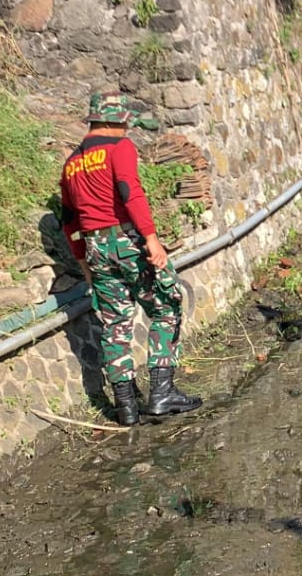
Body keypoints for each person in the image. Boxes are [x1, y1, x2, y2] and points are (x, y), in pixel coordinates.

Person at [59, 93, 201, 425]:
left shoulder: (72, 163)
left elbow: (69, 219)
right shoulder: (119, 148)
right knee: (167, 305)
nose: (127, 130)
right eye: (125, 124)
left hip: (95, 247)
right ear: (113, 121)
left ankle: (125, 407)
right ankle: (162, 393)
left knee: (115, 323)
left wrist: (83, 262)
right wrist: (151, 238)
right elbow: (129, 190)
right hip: (128, 241)